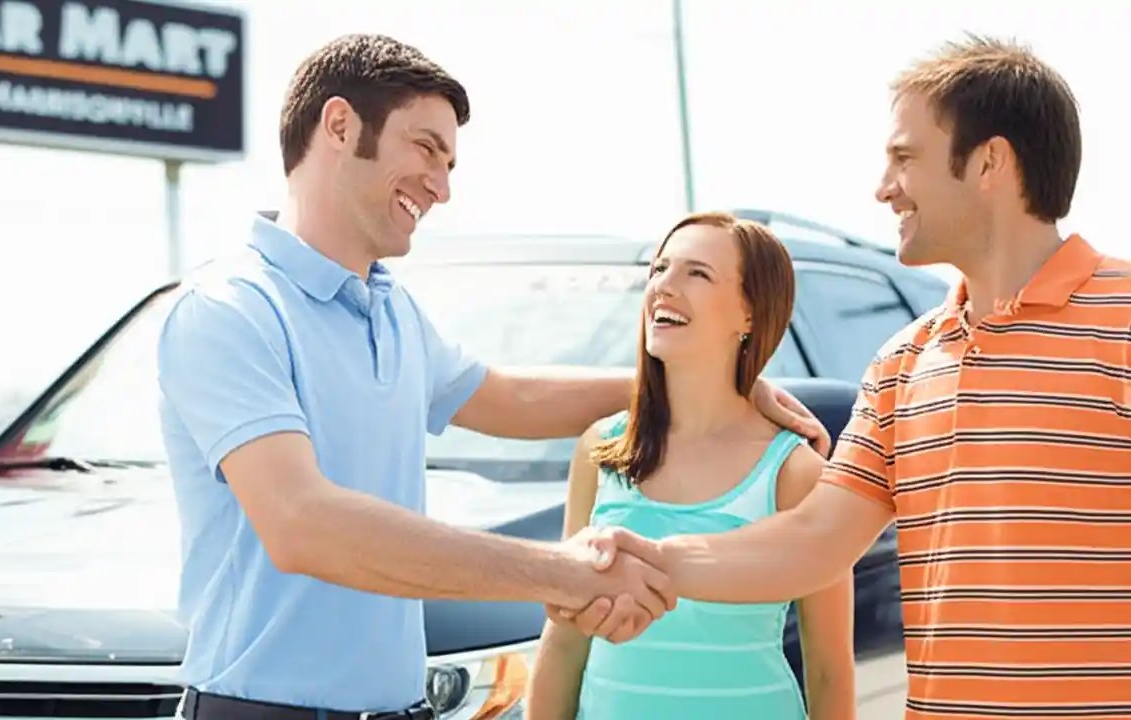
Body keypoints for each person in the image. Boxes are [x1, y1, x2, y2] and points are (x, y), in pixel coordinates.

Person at [155, 34, 828, 720]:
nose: (441, 187)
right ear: (339, 125)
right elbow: (303, 522)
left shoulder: (392, 311)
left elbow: (511, 397)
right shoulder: (230, 310)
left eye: (448, 164)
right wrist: (560, 572)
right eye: (426, 148)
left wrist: (709, 385)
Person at [557, 35, 1131, 719]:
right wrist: (643, 558)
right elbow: (812, 541)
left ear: (989, 163)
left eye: (905, 159)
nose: (883, 188)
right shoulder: (902, 364)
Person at [525, 212, 856, 720]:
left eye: (697, 273)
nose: (664, 286)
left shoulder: (794, 473)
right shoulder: (602, 449)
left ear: (750, 313)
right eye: (660, 269)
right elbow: (565, 640)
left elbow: (830, 669)